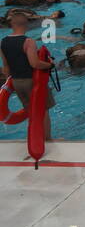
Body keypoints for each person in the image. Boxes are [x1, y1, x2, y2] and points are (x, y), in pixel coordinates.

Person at [0, 10, 54, 144]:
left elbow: (6, 68)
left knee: (30, 110)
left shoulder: (3, 42)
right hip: (32, 82)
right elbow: (34, 63)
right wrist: (49, 65)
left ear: (12, 25)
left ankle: (34, 136)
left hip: (17, 82)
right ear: (26, 25)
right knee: (43, 109)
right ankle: (47, 139)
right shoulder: (28, 41)